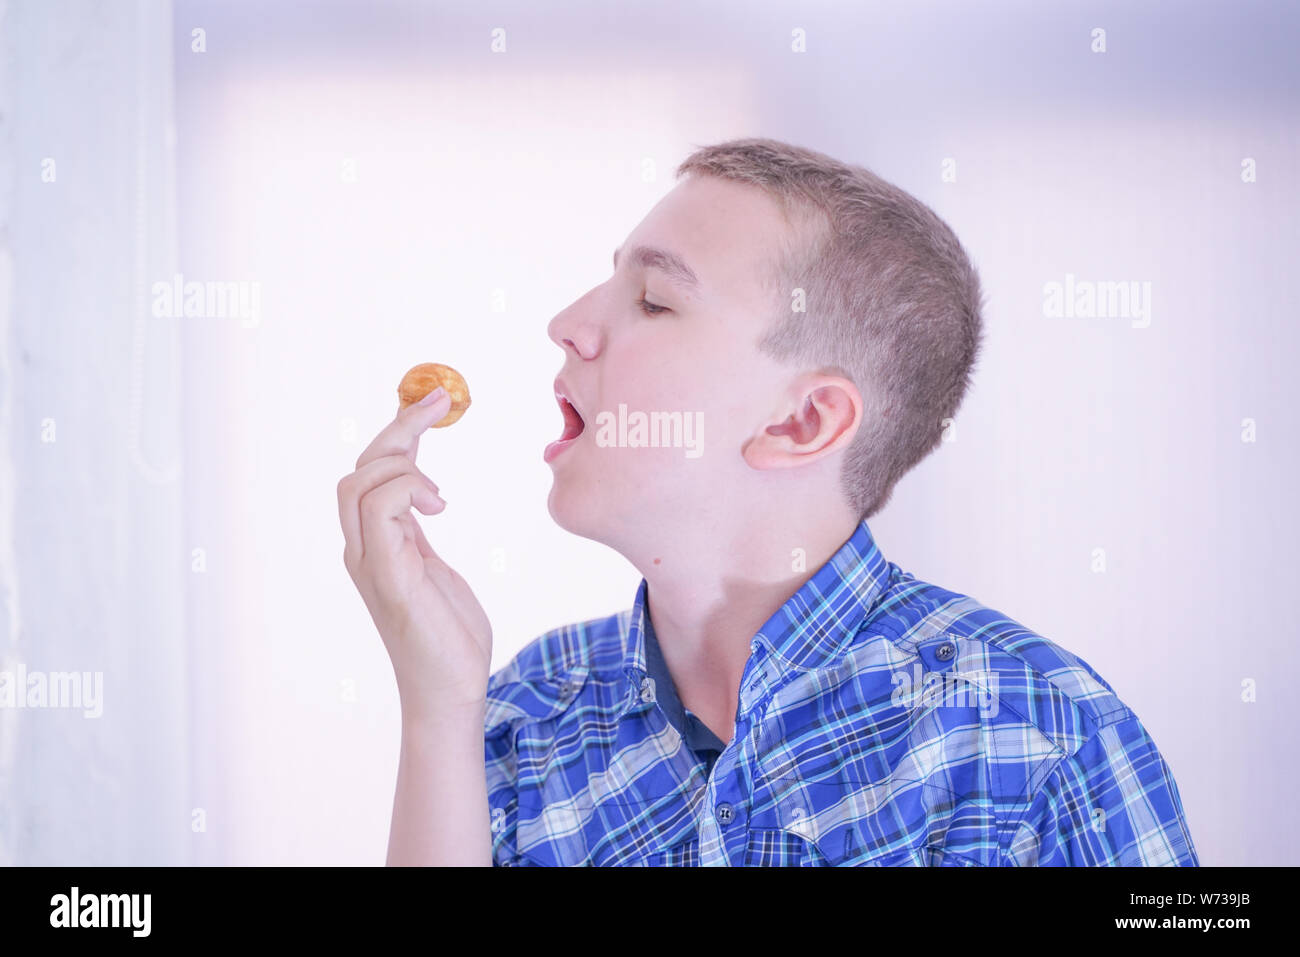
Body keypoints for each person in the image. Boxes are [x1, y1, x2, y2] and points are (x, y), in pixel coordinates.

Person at [337, 137, 1199, 866]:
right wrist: (438, 710)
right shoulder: (525, 714)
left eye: (654, 299)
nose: (569, 323)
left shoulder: (1037, 735)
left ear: (801, 421)